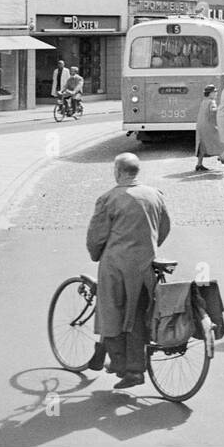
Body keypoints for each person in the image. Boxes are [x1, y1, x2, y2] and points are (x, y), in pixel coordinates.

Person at [84, 152, 172, 389]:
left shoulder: (108, 199)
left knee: (111, 315)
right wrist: (148, 248)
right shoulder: (155, 195)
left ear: (118, 171)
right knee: (137, 317)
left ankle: (120, 365)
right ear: (136, 171)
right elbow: (164, 228)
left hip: (115, 267)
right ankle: (135, 371)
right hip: (145, 267)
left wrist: (96, 255)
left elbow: (96, 237)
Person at [194, 84, 221, 172]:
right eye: (215, 92)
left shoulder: (204, 101)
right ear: (210, 93)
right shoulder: (211, 102)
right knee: (220, 140)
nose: (216, 93)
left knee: (202, 145)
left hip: (200, 125)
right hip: (208, 126)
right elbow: (213, 111)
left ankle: (199, 164)